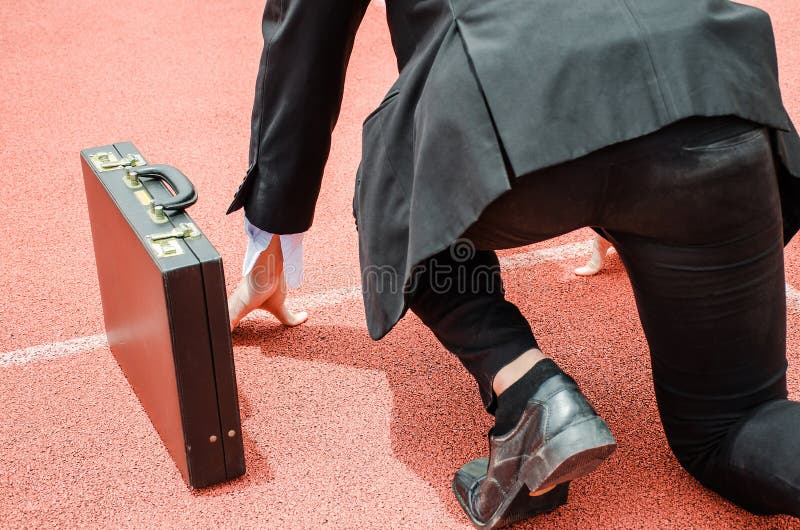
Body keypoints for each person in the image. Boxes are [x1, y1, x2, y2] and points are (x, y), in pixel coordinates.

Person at [226, 0, 800, 527]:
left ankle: (529, 391)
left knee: (395, 178)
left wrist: (269, 230)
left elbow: (306, 28)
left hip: (510, 94)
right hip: (712, 91)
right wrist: (628, 205)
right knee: (736, 422)